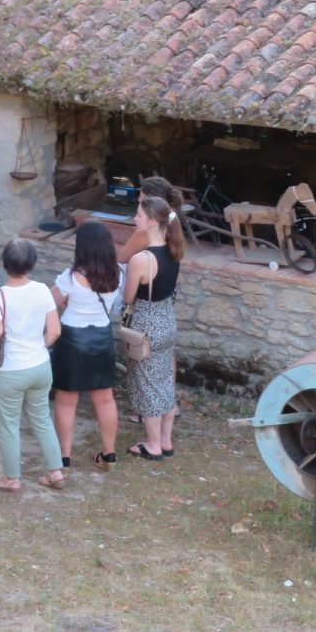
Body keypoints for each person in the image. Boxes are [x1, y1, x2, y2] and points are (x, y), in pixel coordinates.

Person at [0, 239, 64, 492]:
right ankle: (55, 471)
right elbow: (55, 330)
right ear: (32, 264)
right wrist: (40, 347)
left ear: (5, 264)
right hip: (39, 366)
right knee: (42, 420)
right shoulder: (41, 290)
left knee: (8, 425)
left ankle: (11, 478)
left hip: (9, 371)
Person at [49, 221, 123, 471]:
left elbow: (49, 301)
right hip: (102, 338)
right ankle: (109, 453)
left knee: (66, 400)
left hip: (72, 339)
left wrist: (66, 304)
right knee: (104, 400)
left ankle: (64, 457)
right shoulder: (117, 274)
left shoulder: (70, 277)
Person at [124, 196, 184, 461]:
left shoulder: (142, 259)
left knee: (148, 385)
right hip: (167, 320)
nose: (135, 219)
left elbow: (128, 298)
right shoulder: (174, 251)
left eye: (138, 215)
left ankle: (152, 445)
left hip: (146, 325)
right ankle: (166, 440)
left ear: (150, 222)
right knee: (164, 383)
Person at [116, 176, 182, 264]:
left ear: (152, 203)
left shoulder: (149, 229)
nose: (139, 205)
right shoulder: (172, 217)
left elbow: (121, 259)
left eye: (141, 202)